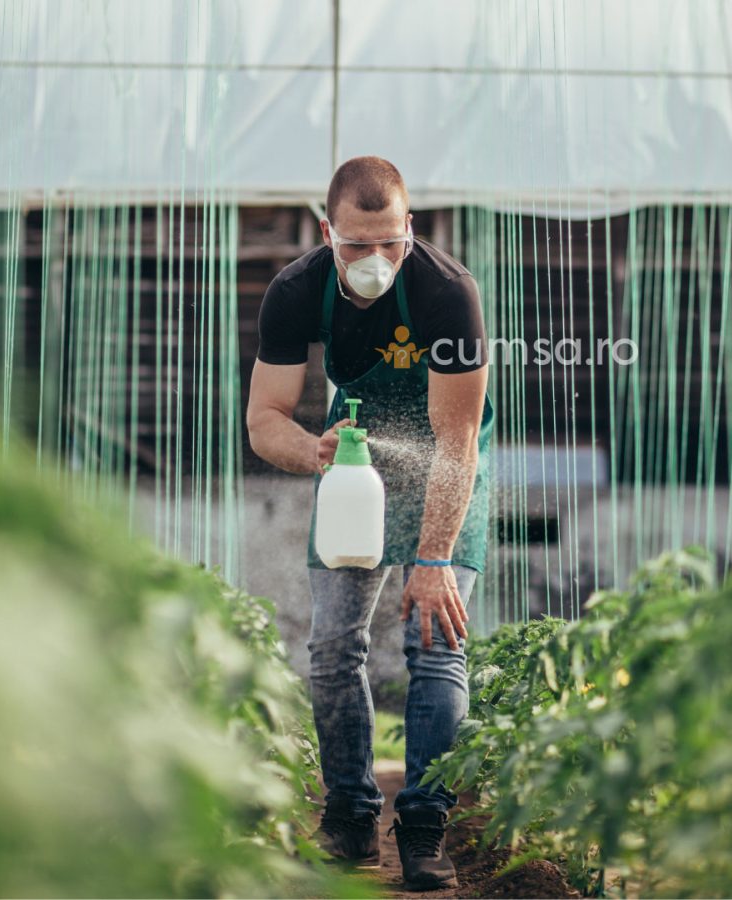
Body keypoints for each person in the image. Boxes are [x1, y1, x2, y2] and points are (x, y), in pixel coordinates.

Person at [245, 156, 493, 891]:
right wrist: (314, 450)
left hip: (445, 473)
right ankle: (350, 817)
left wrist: (434, 557)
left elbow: (456, 441)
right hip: (352, 467)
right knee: (331, 646)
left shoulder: (447, 294)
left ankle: (424, 828)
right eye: (358, 245)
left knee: (436, 642)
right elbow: (265, 420)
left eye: (391, 241)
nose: (377, 260)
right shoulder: (295, 292)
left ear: (408, 228)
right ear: (329, 234)